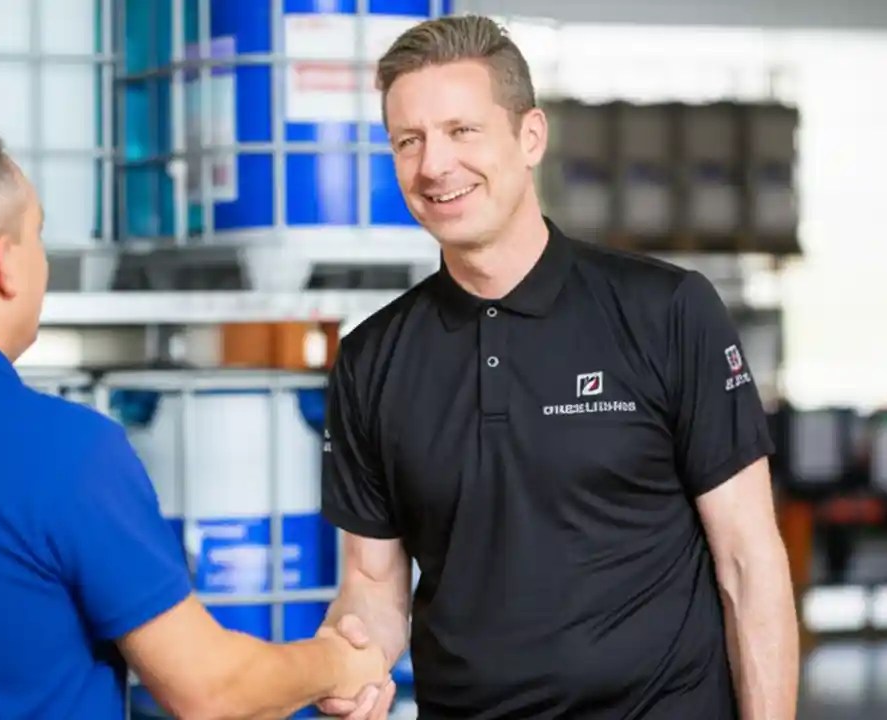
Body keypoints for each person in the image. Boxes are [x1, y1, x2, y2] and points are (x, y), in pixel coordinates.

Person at [0, 125, 387, 719]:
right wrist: (337, 663)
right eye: (38, 235)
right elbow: (211, 689)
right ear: (3, 262)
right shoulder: (65, 452)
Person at [314, 15, 800, 720]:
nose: (434, 165)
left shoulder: (667, 311)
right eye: (408, 140)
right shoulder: (371, 360)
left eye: (462, 130)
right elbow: (371, 583)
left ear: (530, 136)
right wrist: (349, 661)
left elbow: (748, 563)